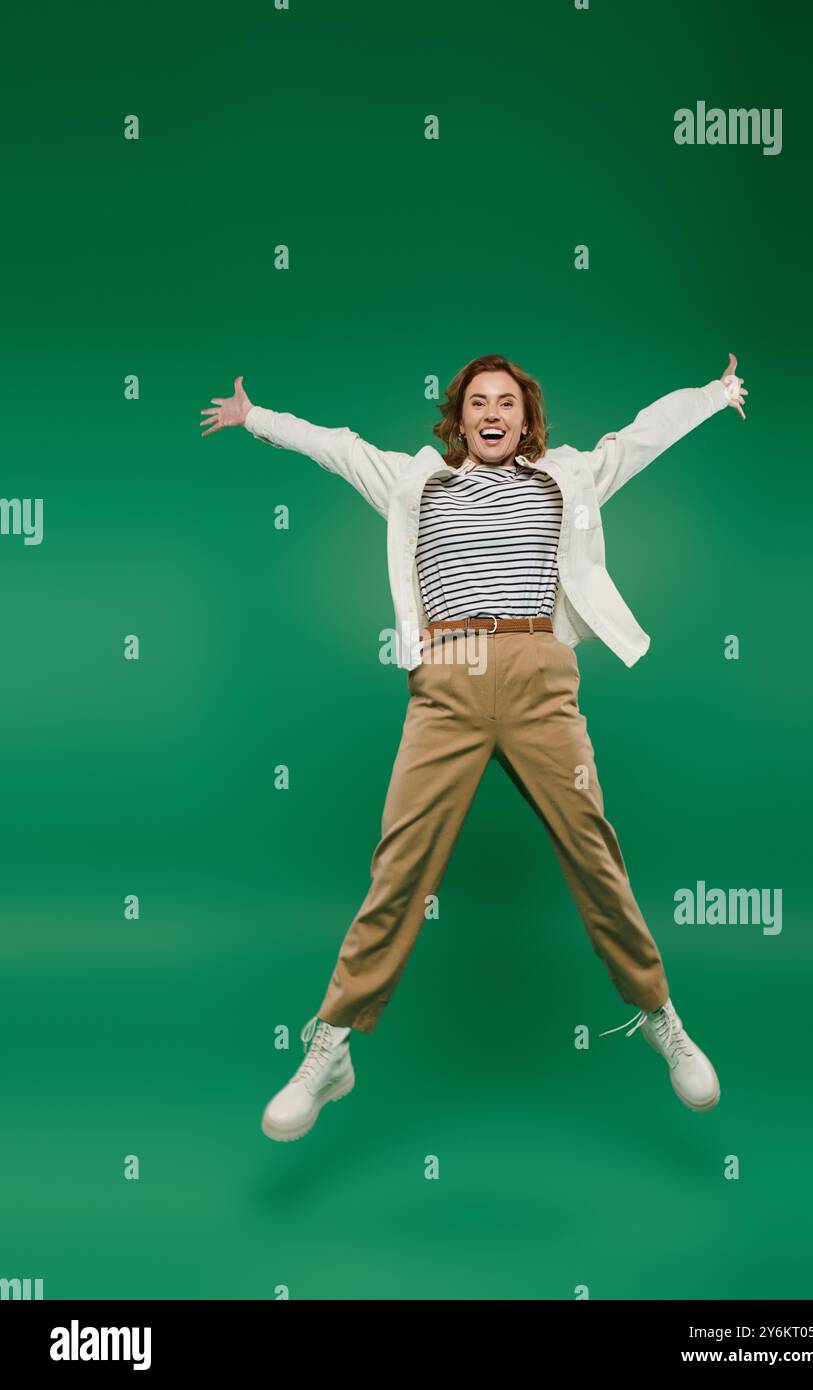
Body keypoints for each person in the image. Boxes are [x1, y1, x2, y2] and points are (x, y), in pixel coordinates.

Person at [200, 352, 748, 1141]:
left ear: (526, 422)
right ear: (459, 419)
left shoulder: (567, 477)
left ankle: (659, 1014)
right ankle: (332, 1044)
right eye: (479, 402)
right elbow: (339, 446)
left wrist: (715, 393)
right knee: (400, 864)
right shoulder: (414, 483)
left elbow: (639, 438)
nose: (493, 413)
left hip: (538, 674)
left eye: (508, 403)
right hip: (447, 679)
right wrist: (256, 418)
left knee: (592, 849)